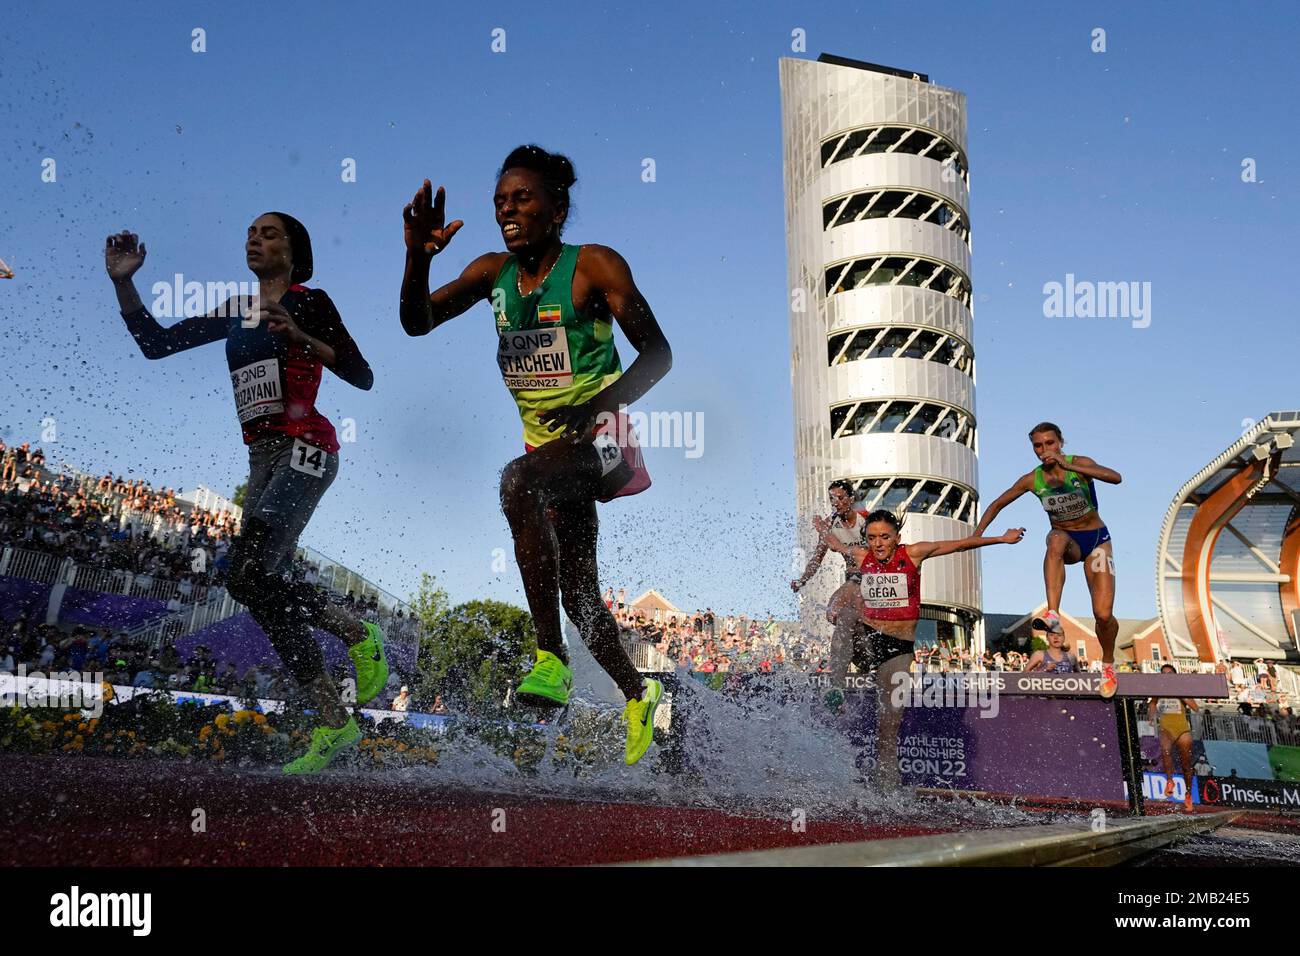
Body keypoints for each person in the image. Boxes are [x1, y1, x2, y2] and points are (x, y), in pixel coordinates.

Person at [400, 145, 672, 766]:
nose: (507, 210)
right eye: (500, 201)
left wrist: (597, 404)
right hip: (548, 456)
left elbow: (658, 355)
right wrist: (416, 258)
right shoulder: (489, 273)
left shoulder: (594, 266)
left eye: (522, 198)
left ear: (556, 208)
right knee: (580, 596)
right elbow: (416, 322)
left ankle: (549, 658)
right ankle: (638, 690)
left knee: (516, 481)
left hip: (604, 441)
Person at [105, 214, 388, 775]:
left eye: (270, 234)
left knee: (246, 576)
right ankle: (336, 724)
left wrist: (304, 337)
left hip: (307, 449)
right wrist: (123, 282)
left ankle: (360, 633)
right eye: (251, 235)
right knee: (260, 587)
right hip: (260, 460)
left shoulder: (312, 301)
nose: (256, 240)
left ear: (295, 250)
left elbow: (363, 375)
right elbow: (158, 345)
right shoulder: (236, 308)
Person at [818, 509, 1025, 787]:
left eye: (884, 537)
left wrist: (1001, 538)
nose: (878, 544)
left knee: (887, 731)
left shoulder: (914, 553)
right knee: (846, 615)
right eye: (871, 538)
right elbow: (835, 544)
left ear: (897, 538)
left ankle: (887, 796)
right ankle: (836, 687)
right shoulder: (860, 557)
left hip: (898, 649)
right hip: (867, 639)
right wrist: (822, 530)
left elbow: (959, 545)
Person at [974, 422, 1123, 697]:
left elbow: (1116, 477)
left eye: (1049, 443)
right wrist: (977, 536)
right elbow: (997, 503)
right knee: (1055, 537)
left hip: (1097, 540)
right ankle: (1053, 613)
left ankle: (1109, 662)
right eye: (1038, 446)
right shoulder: (1033, 479)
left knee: (1103, 614)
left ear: (1060, 442)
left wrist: (1071, 468)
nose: (1044, 450)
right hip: (1067, 542)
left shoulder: (1079, 464)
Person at [1149, 663, 1199, 812]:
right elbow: (1152, 704)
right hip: (1166, 728)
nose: (1166, 676)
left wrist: (1181, 695)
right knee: (1165, 750)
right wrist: (1151, 716)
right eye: (1163, 673)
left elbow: (1195, 707)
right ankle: (1169, 781)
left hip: (1182, 729)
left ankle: (1188, 794)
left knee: (1186, 764)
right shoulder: (1158, 691)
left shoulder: (1181, 689)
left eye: (1169, 673)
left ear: (1174, 676)